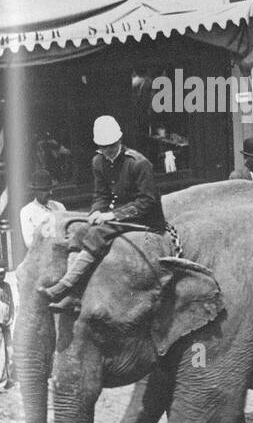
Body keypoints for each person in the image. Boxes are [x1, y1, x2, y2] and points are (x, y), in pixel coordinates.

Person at [40, 116, 167, 312]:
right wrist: (95, 212)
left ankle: (64, 287)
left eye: (112, 145)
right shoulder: (98, 161)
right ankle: (74, 296)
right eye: (104, 146)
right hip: (115, 215)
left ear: (119, 141)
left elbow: (147, 202)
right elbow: (101, 194)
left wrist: (112, 215)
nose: (108, 151)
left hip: (145, 219)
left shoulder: (139, 163)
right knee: (79, 230)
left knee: (100, 232)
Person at [20, 169, 65, 248]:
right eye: (45, 190)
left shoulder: (59, 206)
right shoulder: (27, 211)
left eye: (51, 189)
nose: (50, 193)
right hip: (40, 255)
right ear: (35, 191)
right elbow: (30, 243)